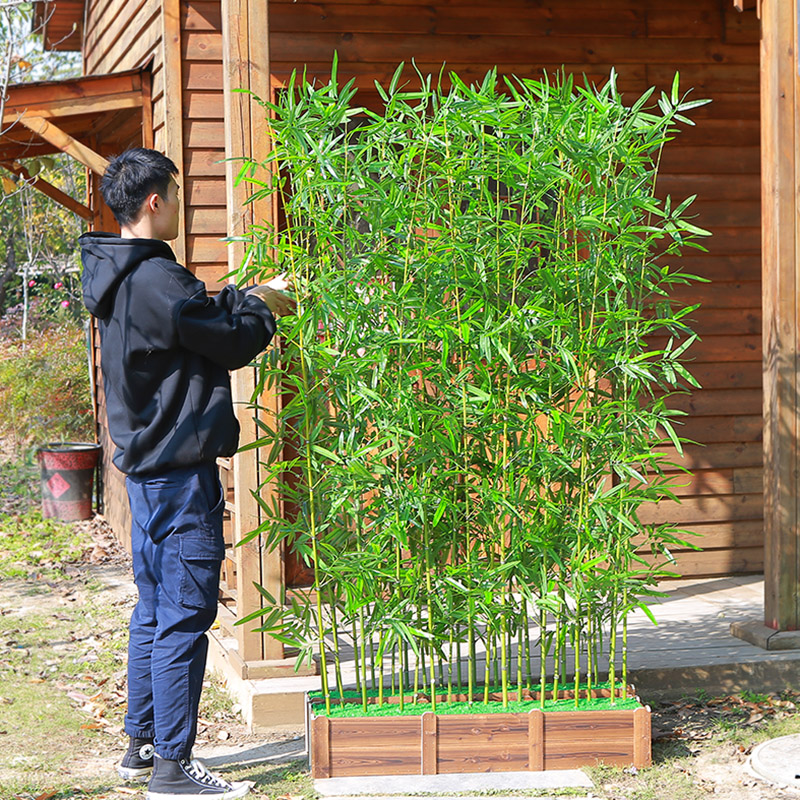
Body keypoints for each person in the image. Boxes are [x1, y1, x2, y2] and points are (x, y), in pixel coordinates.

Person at [80, 147, 293, 800]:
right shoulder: (156, 280)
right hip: (179, 476)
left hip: (145, 476)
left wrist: (242, 296)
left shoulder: (121, 273)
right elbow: (225, 337)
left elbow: (194, 319)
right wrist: (268, 307)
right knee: (185, 615)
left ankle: (141, 746)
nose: (182, 202)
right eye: (177, 192)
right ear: (155, 202)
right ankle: (173, 768)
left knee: (154, 611)